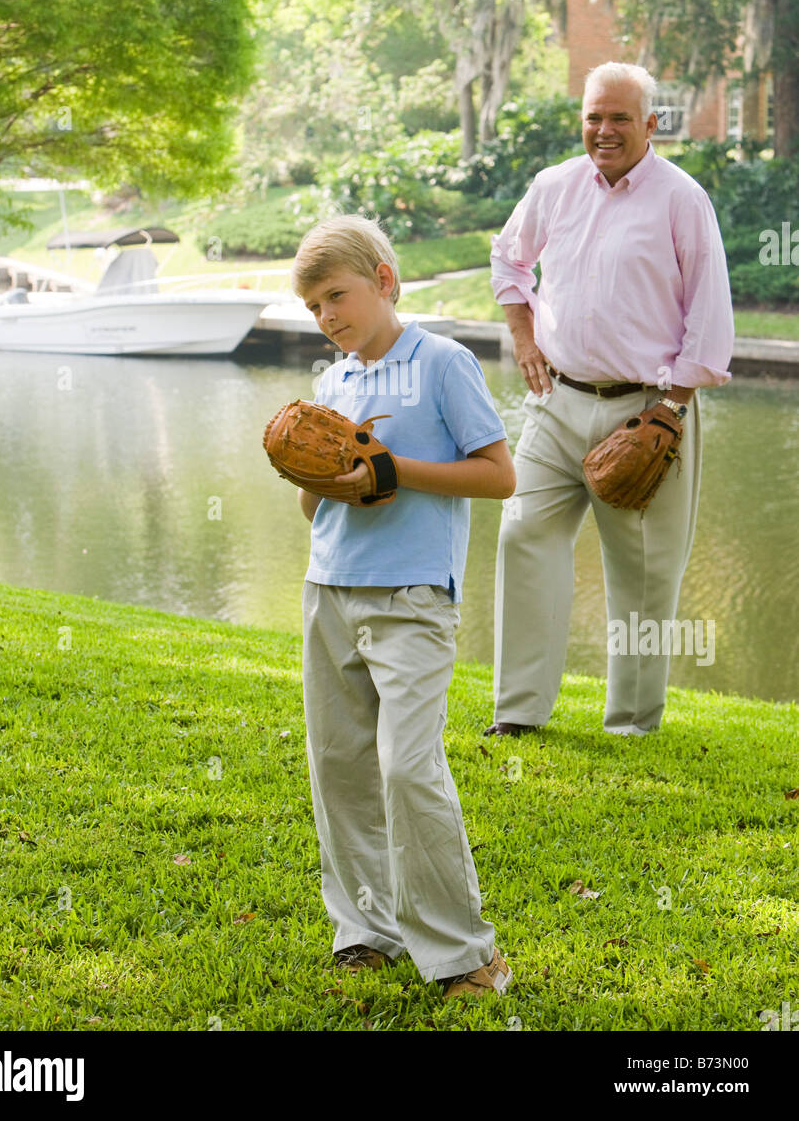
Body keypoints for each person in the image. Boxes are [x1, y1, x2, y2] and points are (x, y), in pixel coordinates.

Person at [291, 213, 517, 998]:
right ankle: (367, 929)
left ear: (384, 281)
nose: (327, 317)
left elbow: (498, 476)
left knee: (407, 764)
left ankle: (467, 955)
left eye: (337, 296)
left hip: (413, 594)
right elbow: (322, 502)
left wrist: (391, 471)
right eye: (314, 307)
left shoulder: (444, 362)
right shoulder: (334, 380)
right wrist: (317, 479)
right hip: (330, 588)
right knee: (340, 766)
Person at [487, 62, 733, 738]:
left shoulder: (683, 200)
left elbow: (710, 316)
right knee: (522, 533)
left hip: (647, 409)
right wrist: (525, 337)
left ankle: (629, 723)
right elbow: (508, 259)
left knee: (645, 573)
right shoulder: (555, 186)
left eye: (620, 117)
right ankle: (519, 714)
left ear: (652, 124)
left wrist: (674, 407)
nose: (604, 130)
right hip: (556, 400)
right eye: (594, 116)